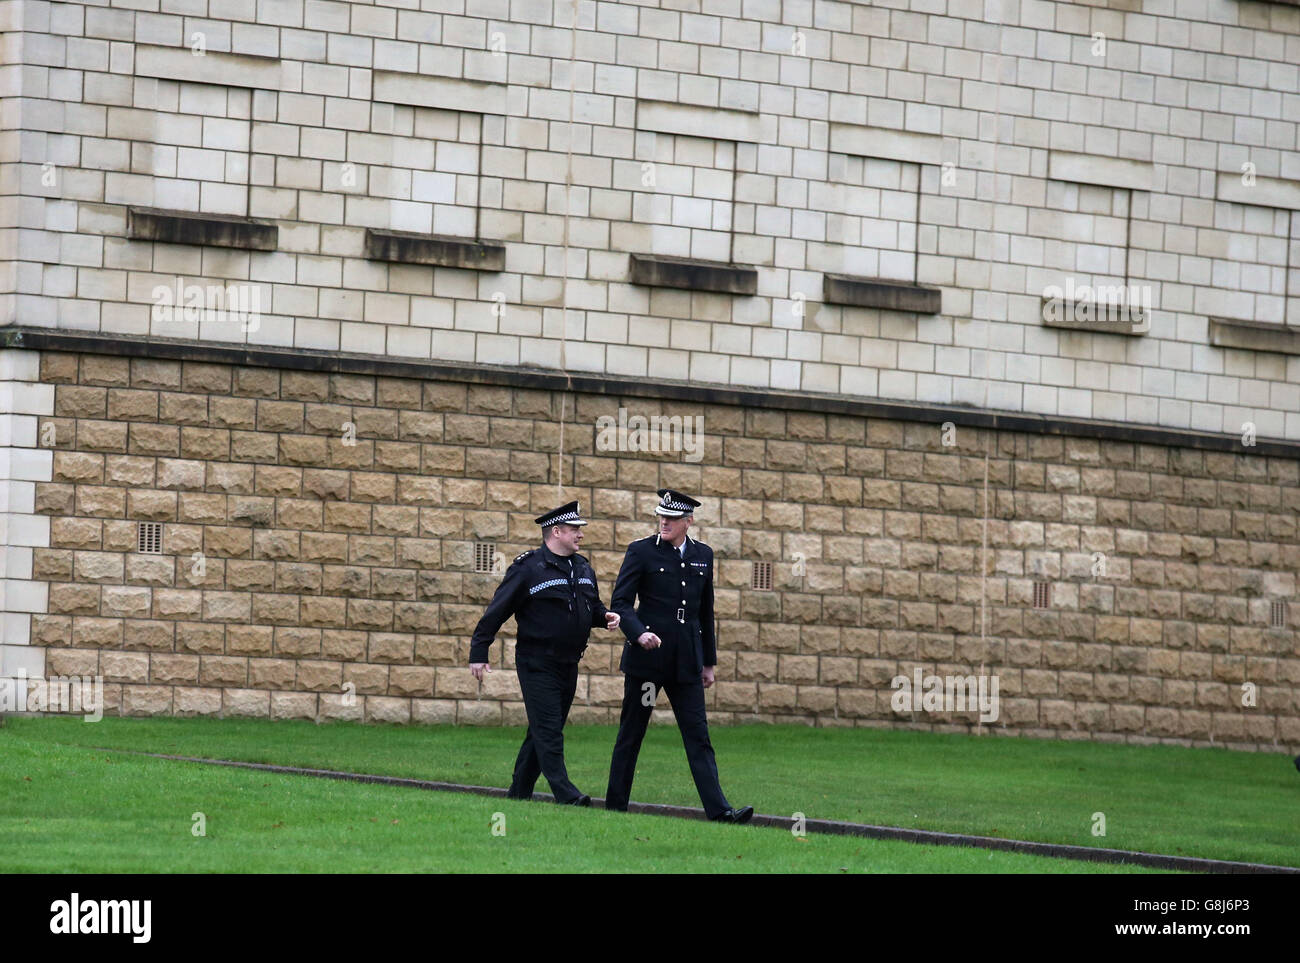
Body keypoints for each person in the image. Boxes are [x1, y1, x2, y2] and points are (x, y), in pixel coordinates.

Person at [605, 489, 754, 823]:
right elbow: (622, 604)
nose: (664, 522)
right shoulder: (641, 551)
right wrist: (638, 632)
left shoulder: (703, 555)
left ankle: (720, 812)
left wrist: (709, 662)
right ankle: (615, 807)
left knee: (698, 736)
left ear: (689, 521)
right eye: (661, 516)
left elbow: (705, 612)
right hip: (647, 662)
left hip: (686, 661)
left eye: (671, 518)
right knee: (632, 733)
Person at [470, 501, 620, 806]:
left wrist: (604, 618)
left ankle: (519, 793)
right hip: (537, 662)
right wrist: (479, 651)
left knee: (542, 730)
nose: (580, 534)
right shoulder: (528, 568)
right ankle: (566, 794)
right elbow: (497, 611)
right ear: (556, 531)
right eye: (574, 529)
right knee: (549, 730)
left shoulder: (583, 567)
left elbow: (591, 607)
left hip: (569, 663)